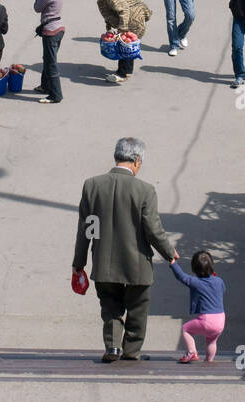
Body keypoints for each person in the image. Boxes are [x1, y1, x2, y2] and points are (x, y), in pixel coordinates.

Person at [72, 136, 176, 362]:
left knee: (110, 307)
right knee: (138, 308)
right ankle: (131, 350)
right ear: (137, 160)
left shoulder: (92, 185)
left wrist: (78, 264)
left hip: (103, 263)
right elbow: (152, 229)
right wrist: (169, 253)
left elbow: (87, 229)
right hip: (137, 264)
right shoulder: (145, 190)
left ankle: (112, 347)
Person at [85, 0, 152, 84]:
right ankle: (124, 71)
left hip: (133, 20)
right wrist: (109, 22)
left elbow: (123, 8)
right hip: (131, 18)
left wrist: (123, 28)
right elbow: (110, 8)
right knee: (124, 45)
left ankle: (123, 73)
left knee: (125, 46)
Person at [171, 251, 227, 364]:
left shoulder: (196, 282)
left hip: (207, 320)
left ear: (194, 269)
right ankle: (209, 361)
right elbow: (223, 290)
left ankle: (192, 352)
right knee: (212, 341)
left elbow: (181, 276)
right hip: (221, 320)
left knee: (186, 329)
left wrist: (173, 263)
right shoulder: (219, 281)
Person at [28, 0, 65, 104]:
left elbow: (37, 7)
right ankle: (45, 86)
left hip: (50, 31)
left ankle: (55, 95)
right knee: (48, 58)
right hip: (59, 26)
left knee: (51, 63)